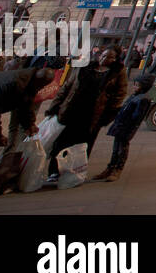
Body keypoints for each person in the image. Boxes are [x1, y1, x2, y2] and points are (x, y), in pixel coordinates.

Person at [47, 47, 127, 178]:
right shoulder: (85, 67)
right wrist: (55, 106)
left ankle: (74, 173)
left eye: (110, 57)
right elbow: (67, 87)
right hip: (72, 110)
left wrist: (108, 115)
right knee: (62, 142)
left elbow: (119, 94)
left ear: (115, 59)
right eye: (103, 55)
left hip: (93, 115)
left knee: (82, 145)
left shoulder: (117, 72)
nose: (104, 59)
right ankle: (55, 170)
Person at [92, 75, 155, 182]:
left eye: (137, 85)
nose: (134, 87)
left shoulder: (143, 99)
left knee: (122, 148)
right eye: (134, 84)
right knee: (116, 149)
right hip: (120, 125)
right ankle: (110, 168)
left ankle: (117, 169)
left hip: (127, 127)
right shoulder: (136, 96)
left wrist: (127, 122)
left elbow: (137, 116)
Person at [0, 66, 55, 151]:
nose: (43, 87)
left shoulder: (32, 80)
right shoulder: (10, 84)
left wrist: (29, 124)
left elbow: (26, 105)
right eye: (42, 85)